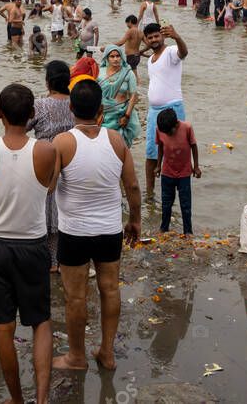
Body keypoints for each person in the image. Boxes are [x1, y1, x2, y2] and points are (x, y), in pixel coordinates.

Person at [0, 83, 58, 404]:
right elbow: (49, 189)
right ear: (32, 114)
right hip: (33, 245)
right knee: (41, 322)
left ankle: (17, 399)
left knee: (3, 328)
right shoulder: (47, 151)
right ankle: (43, 398)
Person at [51, 79, 141, 371]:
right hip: (109, 230)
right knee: (110, 290)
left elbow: (49, 187)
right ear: (101, 109)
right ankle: (107, 352)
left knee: (76, 297)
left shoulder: (62, 142)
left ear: (71, 108)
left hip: (74, 233)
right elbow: (133, 187)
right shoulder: (116, 139)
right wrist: (135, 220)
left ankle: (76, 357)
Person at [27, 61, 75, 272]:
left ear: (48, 82)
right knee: (66, 208)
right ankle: (65, 257)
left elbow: (25, 125)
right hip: (72, 157)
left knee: (48, 211)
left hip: (46, 159)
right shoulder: (75, 102)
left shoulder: (41, 104)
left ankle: (52, 261)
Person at [142, 23, 188, 198]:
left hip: (173, 109)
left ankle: (179, 193)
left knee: (176, 153)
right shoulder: (150, 60)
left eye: (156, 36)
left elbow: (184, 53)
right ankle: (150, 194)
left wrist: (176, 36)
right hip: (154, 112)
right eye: (150, 37)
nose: (154, 39)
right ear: (146, 39)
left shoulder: (171, 52)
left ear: (162, 37)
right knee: (151, 153)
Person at [154, 107, 199, 235]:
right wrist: (158, 166)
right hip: (167, 172)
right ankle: (164, 229)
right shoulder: (160, 129)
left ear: (176, 124)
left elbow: (194, 147)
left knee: (186, 206)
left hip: (184, 173)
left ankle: (188, 232)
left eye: (169, 132)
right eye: (165, 132)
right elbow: (161, 148)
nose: (167, 134)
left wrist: (196, 166)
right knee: (166, 204)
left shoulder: (187, 128)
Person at [98, 45, 139, 147]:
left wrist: (127, 116)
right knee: (102, 144)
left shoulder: (128, 73)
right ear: (107, 58)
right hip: (103, 115)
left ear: (122, 57)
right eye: (112, 56)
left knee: (120, 145)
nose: (115, 59)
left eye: (118, 56)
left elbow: (133, 96)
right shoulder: (99, 73)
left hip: (120, 115)